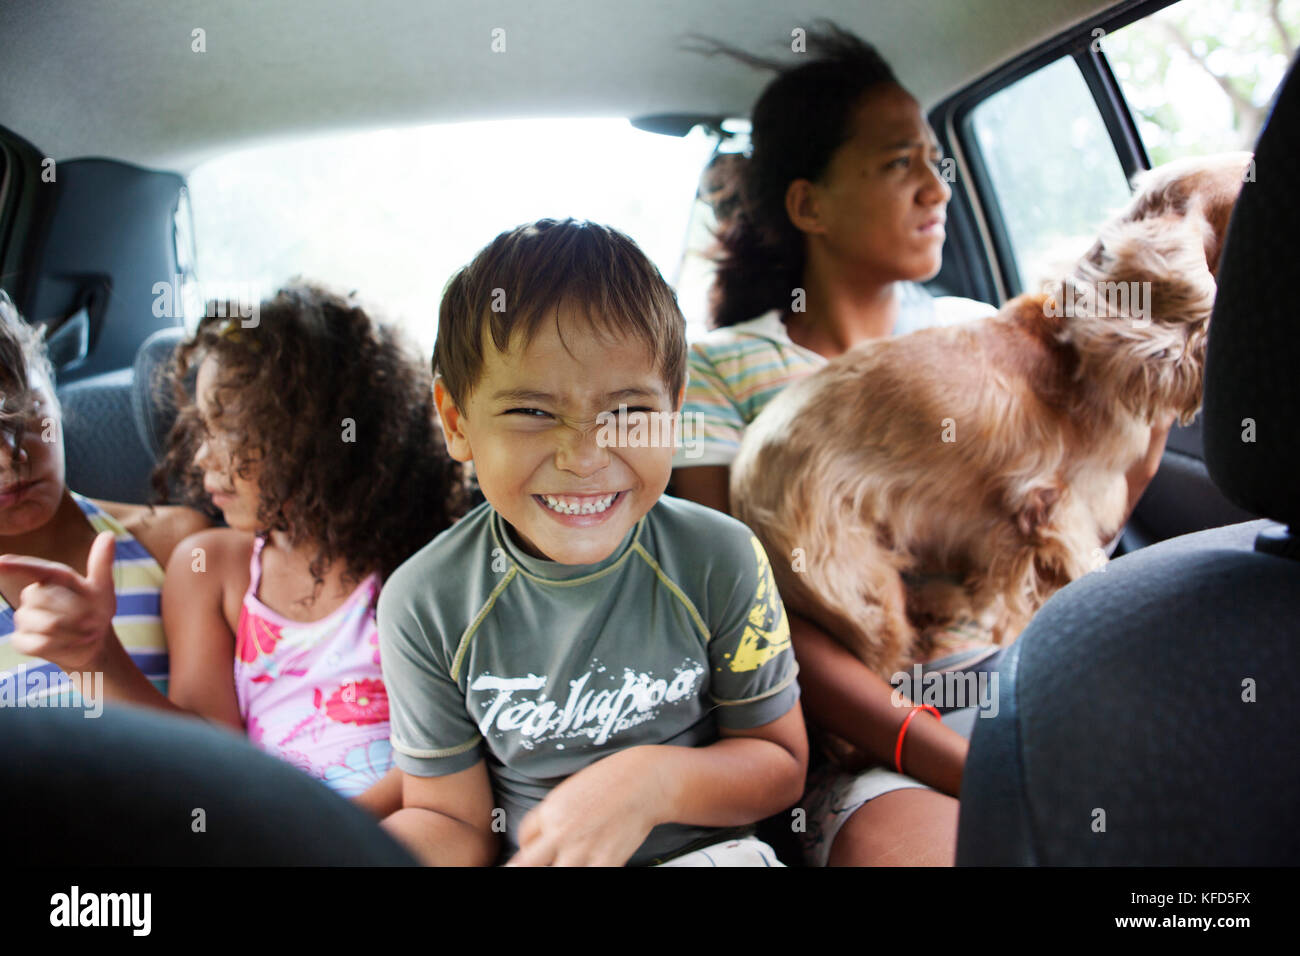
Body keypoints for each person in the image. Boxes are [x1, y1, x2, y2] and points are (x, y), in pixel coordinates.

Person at [671, 25, 1173, 865]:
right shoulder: (720, 372)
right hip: (862, 740)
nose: (934, 188)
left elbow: (1067, 535)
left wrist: (1146, 407)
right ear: (809, 205)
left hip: (1032, 681)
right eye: (896, 163)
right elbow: (754, 619)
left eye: (936, 160)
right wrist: (949, 758)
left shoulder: (980, 335)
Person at [377, 218, 806, 866]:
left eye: (629, 412)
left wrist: (650, 786)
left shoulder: (720, 559)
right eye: (532, 412)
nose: (584, 456)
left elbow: (780, 763)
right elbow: (451, 820)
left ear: (675, 413)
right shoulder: (423, 603)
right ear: (456, 421)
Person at [0, 283, 467, 817]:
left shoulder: (423, 570)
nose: (200, 458)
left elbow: (443, 760)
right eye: (202, 429)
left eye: (228, 432)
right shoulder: (214, 569)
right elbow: (211, 755)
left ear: (308, 437)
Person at [0, 290, 209, 706]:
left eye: (25, 414)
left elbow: (226, 760)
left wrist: (96, 661)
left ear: (56, 400)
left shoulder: (176, 545)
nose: (9, 458)